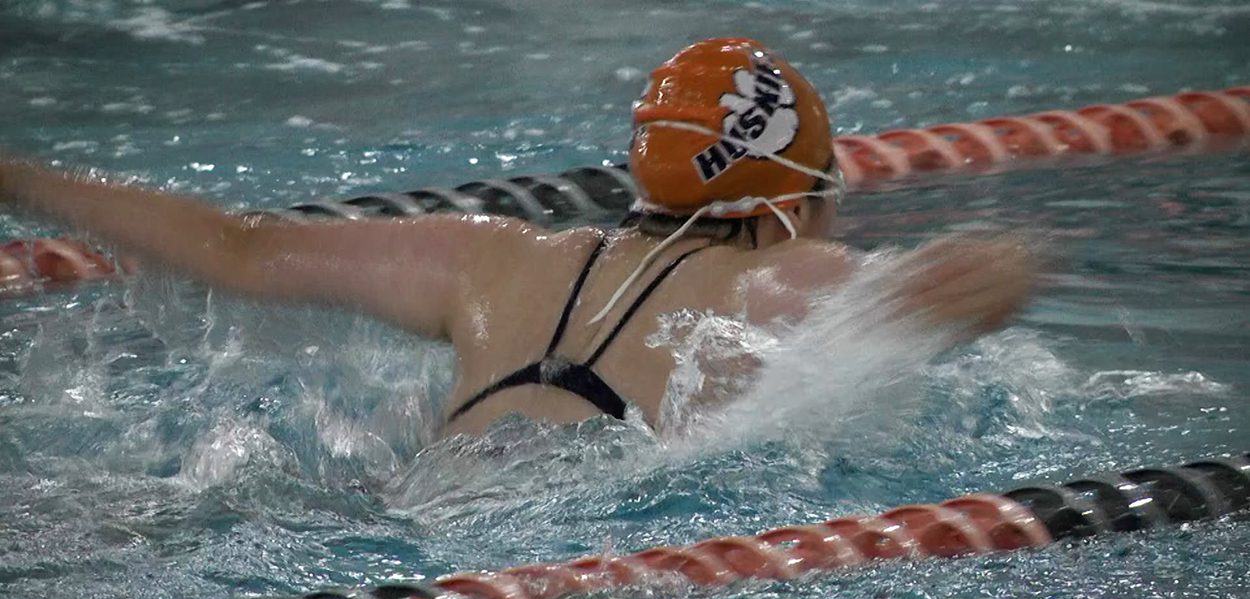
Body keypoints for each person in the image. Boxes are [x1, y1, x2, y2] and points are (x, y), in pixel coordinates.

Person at [0, 37, 1034, 437]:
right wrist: (1015, 262)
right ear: (781, 208)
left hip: (427, 519)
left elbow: (241, 244)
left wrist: (23, 177)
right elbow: (954, 292)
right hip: (564, 571)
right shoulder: (786, 277)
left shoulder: (489, 256)